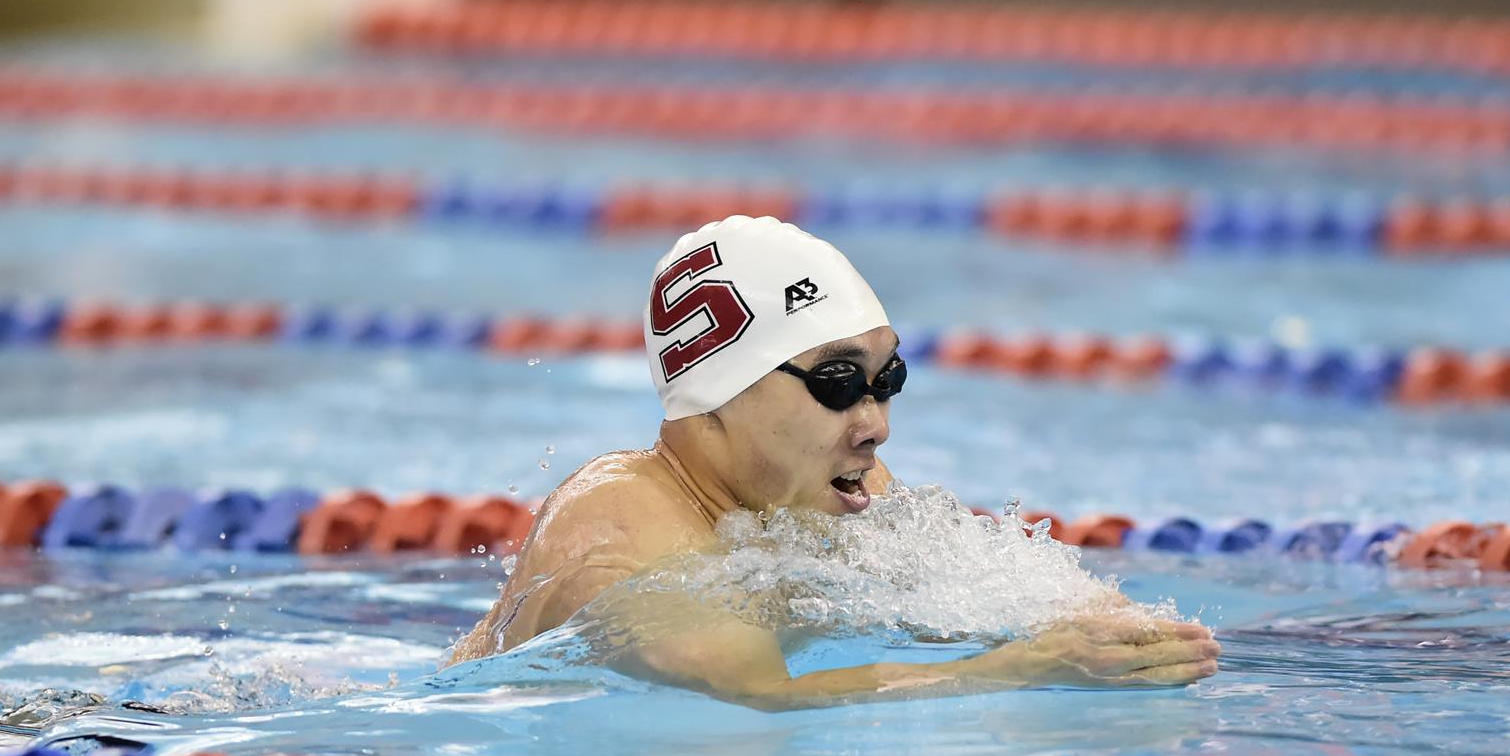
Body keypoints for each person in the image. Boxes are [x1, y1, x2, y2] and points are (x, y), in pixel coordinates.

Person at [448, 216, 1219, 709]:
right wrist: (1016, 670)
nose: (876, 425)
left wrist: (1101, 628)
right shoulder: (623, 539)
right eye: (839, 382)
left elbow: (968, 581)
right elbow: (761, 696)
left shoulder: (822, 489)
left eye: (887, 379)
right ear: (721, 392)